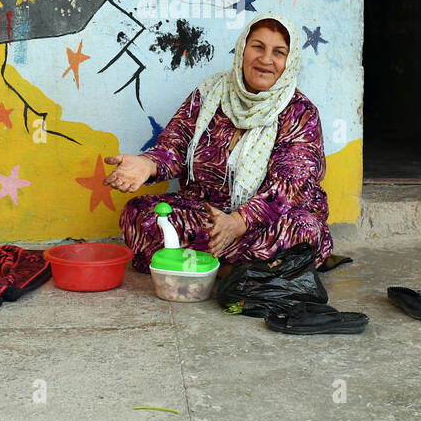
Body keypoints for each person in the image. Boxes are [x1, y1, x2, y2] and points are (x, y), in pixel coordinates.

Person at [107, 14, 333, 272]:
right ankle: (247, 268)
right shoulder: (210, 93)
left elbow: (288, 187)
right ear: (243, 49)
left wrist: (237, 222)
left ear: (289, 62)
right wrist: (148, 165)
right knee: (140, 214)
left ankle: (196, 262)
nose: (266, 59)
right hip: (207, 214)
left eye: (279, 52)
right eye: (258, 47)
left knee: (303, 231)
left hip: (265, 223)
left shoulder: (300, 112)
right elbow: (175, 145)